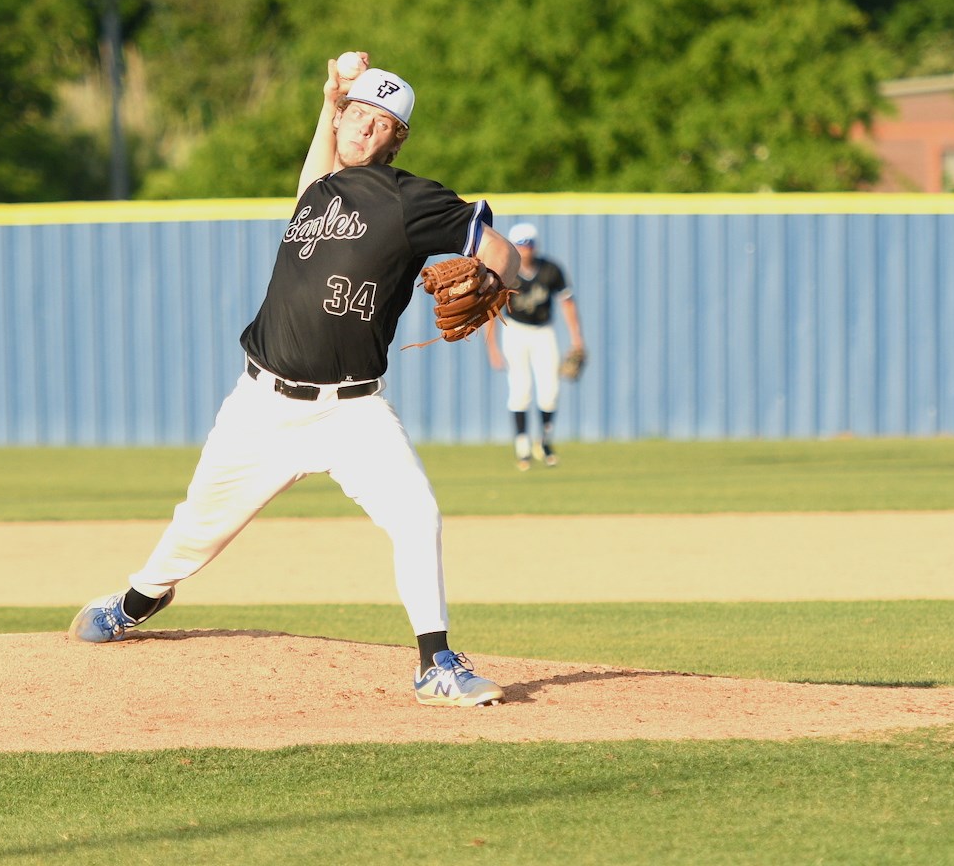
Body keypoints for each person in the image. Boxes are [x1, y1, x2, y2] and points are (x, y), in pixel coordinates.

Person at [68, 53, 523, 708]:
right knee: (198, 525)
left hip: (353, 412)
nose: (364, 129)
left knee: (418, 514)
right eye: (358, 116)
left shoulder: (411, 199)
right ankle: (138, 602)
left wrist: (497, 276)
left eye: (380, 123)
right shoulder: (319, 192)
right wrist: (331, 98)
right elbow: (323, 150)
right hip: (263, 406)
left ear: (397, 139)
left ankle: (436, 663)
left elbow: (497, 246)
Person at [483, 222, 584, 470]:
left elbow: (567, 304)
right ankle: (522, 447)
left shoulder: (551, 270)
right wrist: (492, 347)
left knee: (550, 390)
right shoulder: (507, 270)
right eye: (520, 244)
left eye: (528, 244)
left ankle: (545, 441)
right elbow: (492, 308)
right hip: (515, 331)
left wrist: (577, 338)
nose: (525, 249)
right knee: (520, 389)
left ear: (535, 245)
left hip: (543, 331)